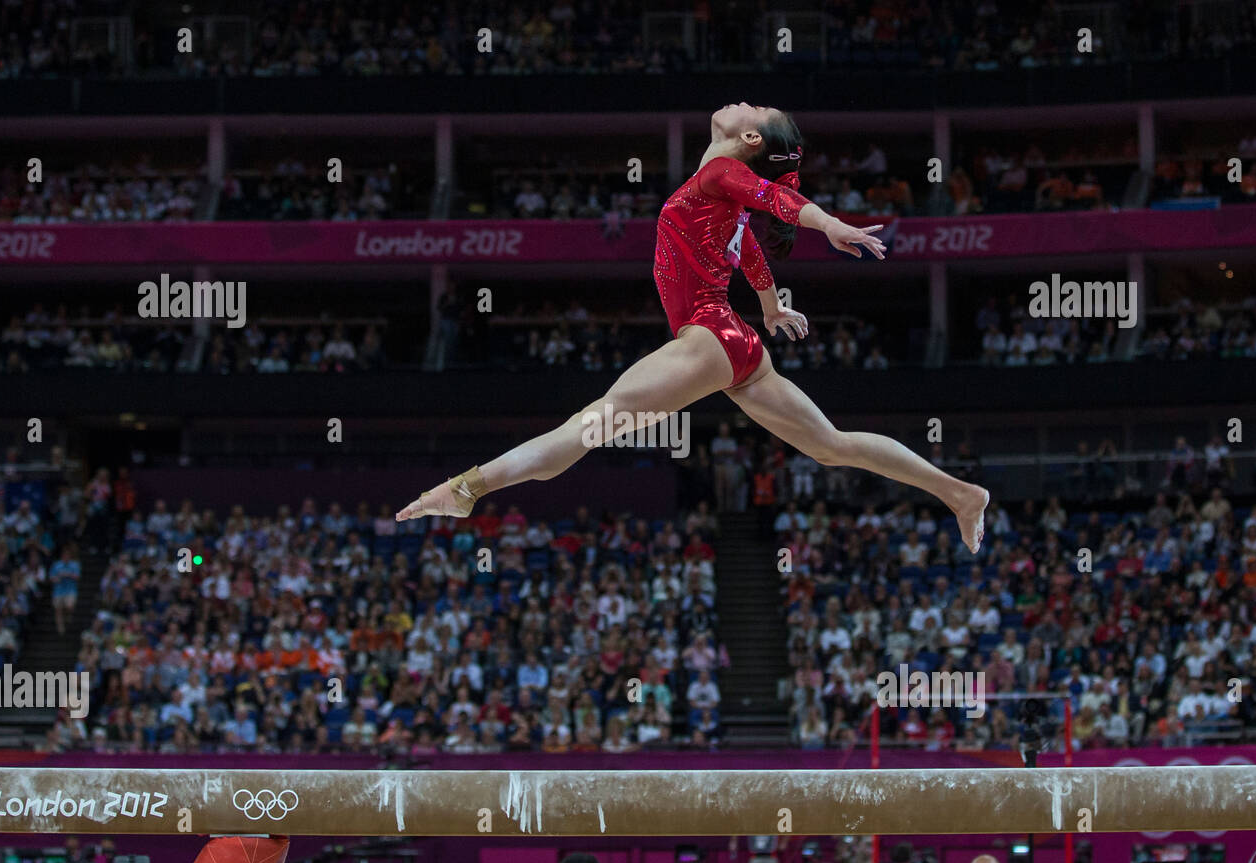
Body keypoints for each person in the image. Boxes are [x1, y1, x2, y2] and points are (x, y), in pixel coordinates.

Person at [399, 103, 989, 553]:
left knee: (591, 426)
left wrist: (828, 224)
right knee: (832, 447)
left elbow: (776, 202)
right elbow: (748, 246)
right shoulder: (718, 190)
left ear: (749, 138)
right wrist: (769, 307)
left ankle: (467, 489)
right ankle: (961, 493)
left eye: (753, 108)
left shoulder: (721, 177)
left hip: (708, 336)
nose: (741, 101)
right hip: (734, 341)